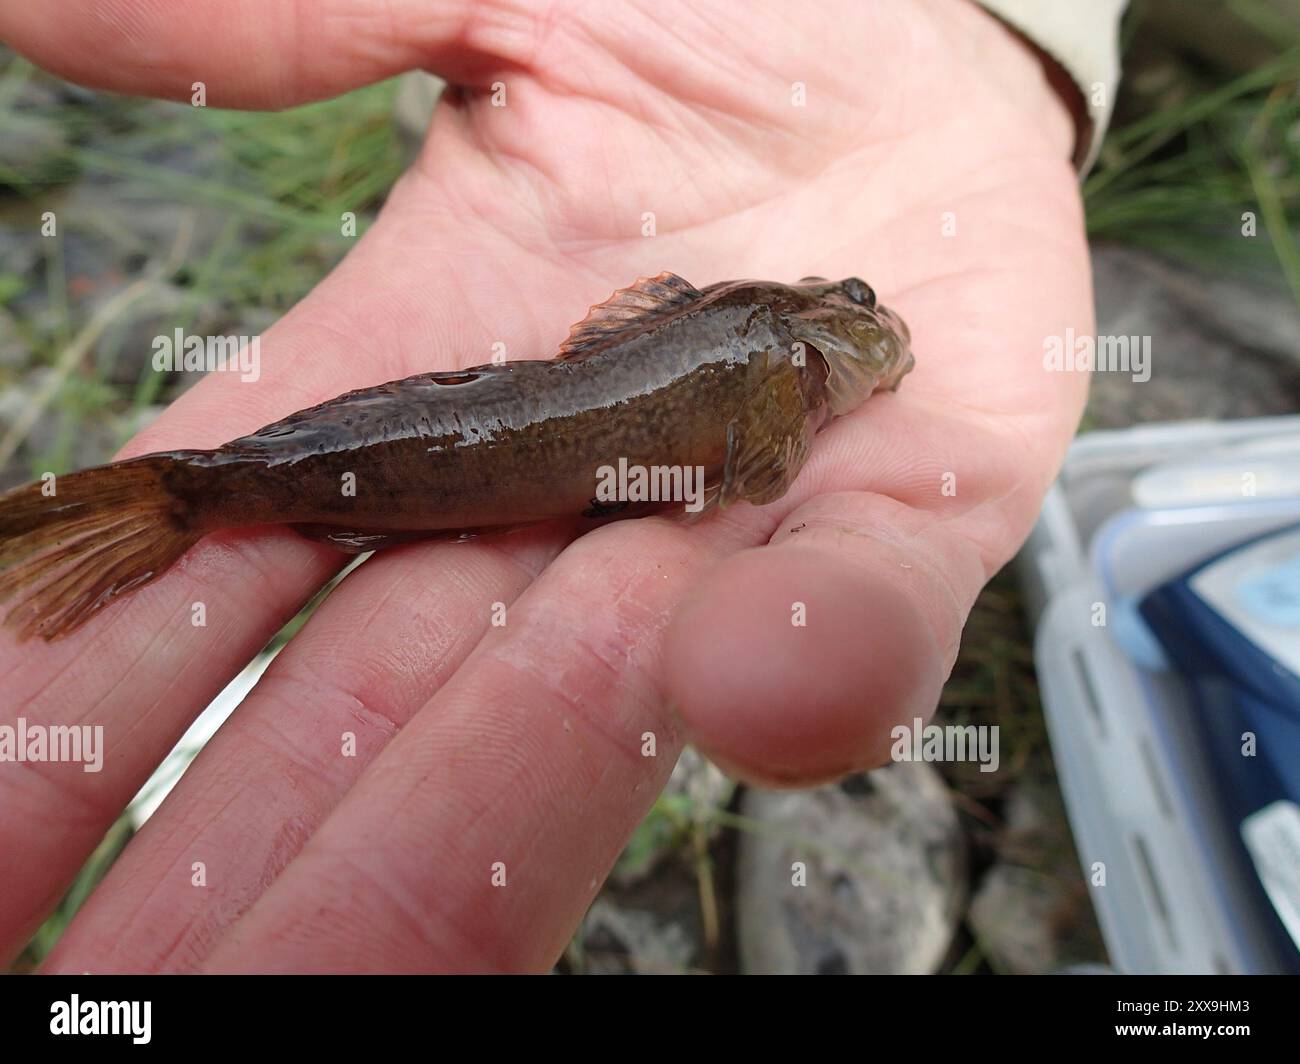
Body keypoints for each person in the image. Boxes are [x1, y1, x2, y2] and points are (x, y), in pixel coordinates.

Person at [0, 0, 1124, 972]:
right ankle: (177, 497)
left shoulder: (771, 340)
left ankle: (183, 494)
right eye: (861, 304)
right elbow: (756, 478)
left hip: (474, 428)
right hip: (461, 436)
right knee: (251, 481)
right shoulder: (782, 351)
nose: (881, 330)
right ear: (820, 326)